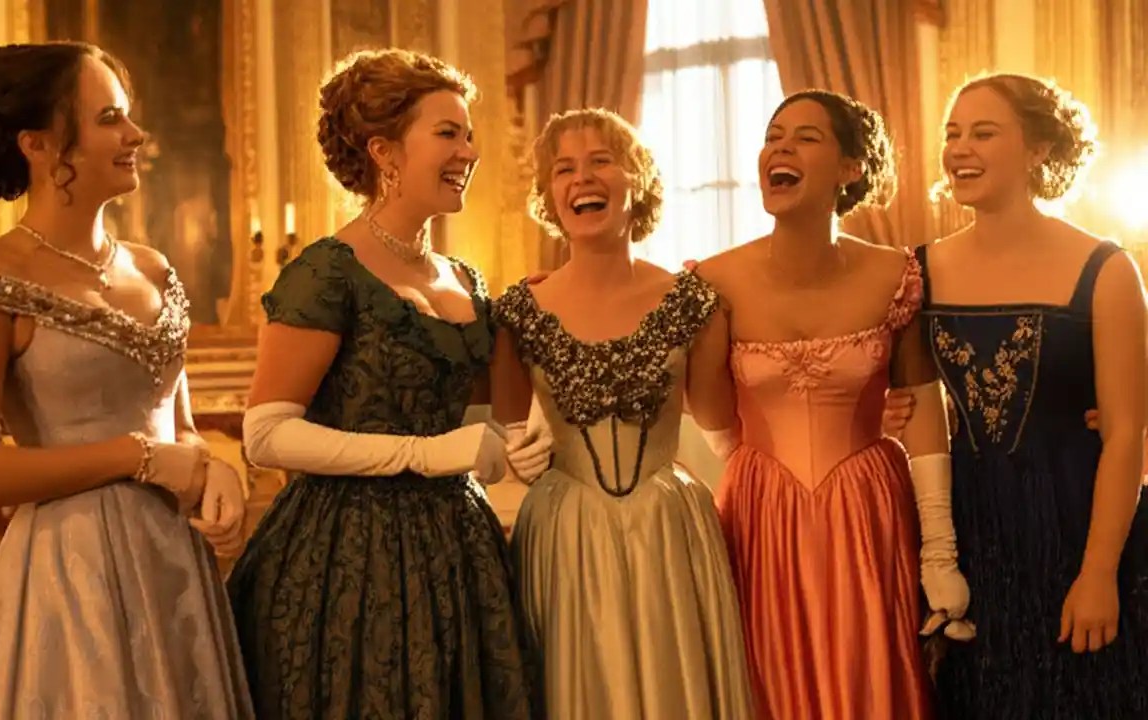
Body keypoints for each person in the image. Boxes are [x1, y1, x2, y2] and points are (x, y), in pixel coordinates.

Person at [0, 42, 251, 719]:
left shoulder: (154, 269)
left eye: (127, 116)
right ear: (39, 144)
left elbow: (178, 424)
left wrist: (216, 469)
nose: (135, 135)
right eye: (109, 118)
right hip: (69, 577)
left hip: (176, 569)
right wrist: (139, 458)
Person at [225, 48, 541, 719]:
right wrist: (419, 455)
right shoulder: (327, 272)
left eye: (469, 133)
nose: (469, 150)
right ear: (384, 151)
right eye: (448, 132)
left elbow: (497, 412)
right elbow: (266, 433)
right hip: (345, 551)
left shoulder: (466, 279)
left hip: (457, 545)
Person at [693, 89, 972, 719]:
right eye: (772, 135)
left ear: (851, 168)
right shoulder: (713, 281)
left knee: (869, 676)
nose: (780, 147)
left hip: (868, 508)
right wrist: (766, 479)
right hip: (759, 510)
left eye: (805, 137)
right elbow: (711, 414)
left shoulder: (896, 273)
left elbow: (924, 409)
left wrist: (939, 553)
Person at [888, 72, 1148, 718]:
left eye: (983, 132)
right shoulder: (917, 270)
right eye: (952, 134)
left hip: (1078, 525)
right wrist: (937, 551)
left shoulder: (1107, 269)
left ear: (1037, 150)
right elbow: (916, 406)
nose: (959, 149)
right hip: (975, 531)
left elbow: (1126, 436)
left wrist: (1098, 572)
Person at [491, 108, 753, 719]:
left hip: (669, 529)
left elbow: (727, 430)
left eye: (601, 161)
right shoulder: (516, 313)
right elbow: (500, 437)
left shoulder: (695, 302)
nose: (583, 178)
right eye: (564, 168)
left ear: (638, 181)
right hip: (563, 535)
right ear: (549, 196)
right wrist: (518, 451)